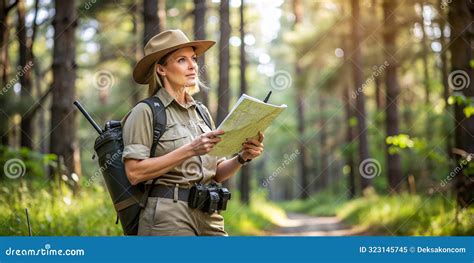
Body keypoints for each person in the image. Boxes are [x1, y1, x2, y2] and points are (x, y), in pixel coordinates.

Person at [121, 29, 264, 236]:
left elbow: (216, 172)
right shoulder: (145, 112)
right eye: (181, 60)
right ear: (161, 69)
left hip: (209, 213)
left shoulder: (202, 112)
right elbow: (134, 173)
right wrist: (190, 149)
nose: (192, 66)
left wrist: (243, 157)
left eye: (194, 59)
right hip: (168, 216)